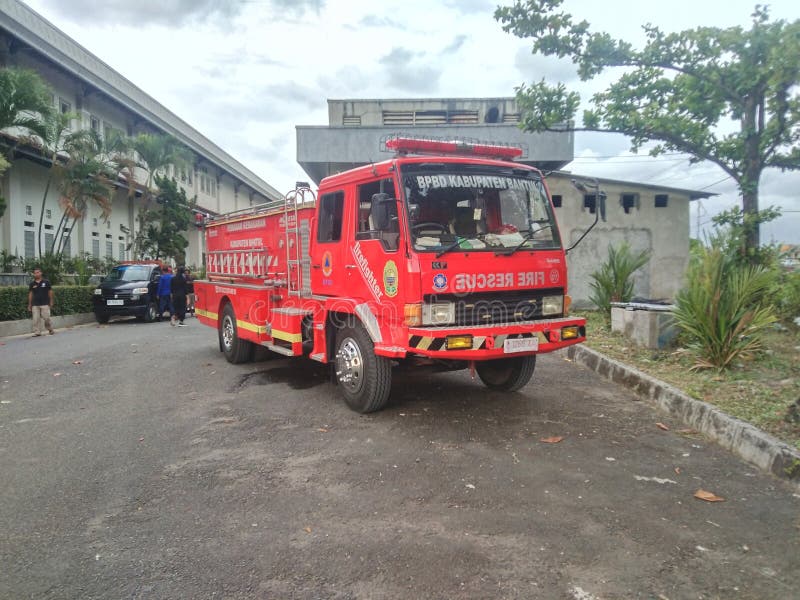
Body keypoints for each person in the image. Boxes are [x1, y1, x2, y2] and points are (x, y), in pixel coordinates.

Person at [27, 267, 54, 336]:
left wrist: (51, 301)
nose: (36, 274)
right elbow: (30, 294)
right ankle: (37, 332)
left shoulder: (46, 282)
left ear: (41, 273)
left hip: (45, 303)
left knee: (46, 318)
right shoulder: (32, 284)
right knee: (35, 319)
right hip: (35, 304)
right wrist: (29, 304)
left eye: (38, 272)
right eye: (35, 273)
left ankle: (50, 329)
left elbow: (50, 292)